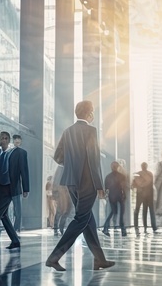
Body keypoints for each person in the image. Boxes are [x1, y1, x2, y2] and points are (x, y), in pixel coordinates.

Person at [44, 101, 114, 271]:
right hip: (87, 182)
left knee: (87, 219)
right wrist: (99, 185)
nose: (93, 114)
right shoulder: (91, 130)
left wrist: (71, 165)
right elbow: (93, 159)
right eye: (93, 111)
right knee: (81, 219)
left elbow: (57, 156)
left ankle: (100, 259)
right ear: (89, 113)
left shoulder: (68, 131)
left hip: (71, 181)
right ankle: (54, 258)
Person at [102, 161, 128, 236]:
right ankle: (123, 229)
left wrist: (106, 197)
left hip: (112, 196)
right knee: (121, 213)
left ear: (111, 167)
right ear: (118, 167)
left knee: (113, 212)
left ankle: (106, 228)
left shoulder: (108, 177)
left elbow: (106, 188)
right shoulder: (122, 176)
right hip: (120, 195)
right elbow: (123, 186)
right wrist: (124, 194)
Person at [10, 134, 28, 231]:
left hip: (16, 186)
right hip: (8, 185)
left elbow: (24, 171)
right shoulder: (8, 152)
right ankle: (14, 227)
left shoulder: (22, 153)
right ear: (13, 141)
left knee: (17, 209)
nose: (17, 141)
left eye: (18, 139)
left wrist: (25, 189)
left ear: (20, 141)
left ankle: (16, 227)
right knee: (14, 209)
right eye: (15, 139)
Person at [133, 162, 156, 234]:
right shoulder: (150, 174)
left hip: (140, 195)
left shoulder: (138, 174)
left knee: (138, 210)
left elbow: (134, 185)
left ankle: (137, 226)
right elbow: (151, 183)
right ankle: (153, 227)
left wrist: (140, 185)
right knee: (149, 211)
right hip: (149, 195)